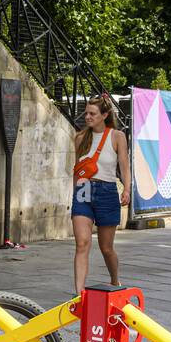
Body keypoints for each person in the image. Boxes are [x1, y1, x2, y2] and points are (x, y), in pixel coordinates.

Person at [70, 95, 130, 294]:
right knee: (82, 243)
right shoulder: (80, 137)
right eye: (86, 113)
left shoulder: (117, 136)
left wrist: (127, 190)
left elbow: (124, 166)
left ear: (104, 115)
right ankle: (79, 293)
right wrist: (74, 194)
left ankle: (115, 280)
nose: (87, 116)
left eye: (92, 113)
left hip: (107, 192)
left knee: (106, 248)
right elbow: (77, 169)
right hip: (83, 190)